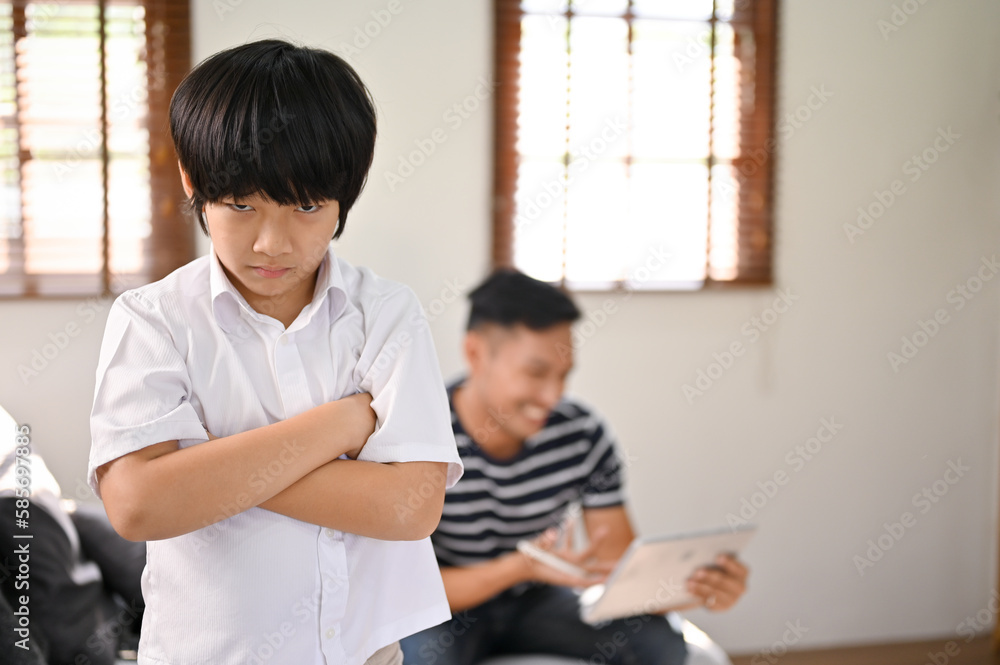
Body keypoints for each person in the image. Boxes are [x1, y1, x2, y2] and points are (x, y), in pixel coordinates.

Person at [88, 39, 462, 665]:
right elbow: (137, 505)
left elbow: (410, 507)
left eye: (307, 207)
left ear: (347, 194)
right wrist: (340, 423)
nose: (270, 242)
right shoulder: (153, 320)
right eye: (241, 205)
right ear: (192, 181)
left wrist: (203, 467)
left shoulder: (386, 314)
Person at [400, 269, 750, 664]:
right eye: (535, 373)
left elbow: (615, 568)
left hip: (535, 603)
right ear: (476, 353)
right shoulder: (421, 435)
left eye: (563, 375)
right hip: (445, 610)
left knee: (659, 643)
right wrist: (520, 567)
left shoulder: (581, 432)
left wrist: (691, 586)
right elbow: (407, 589)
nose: (553, 396)